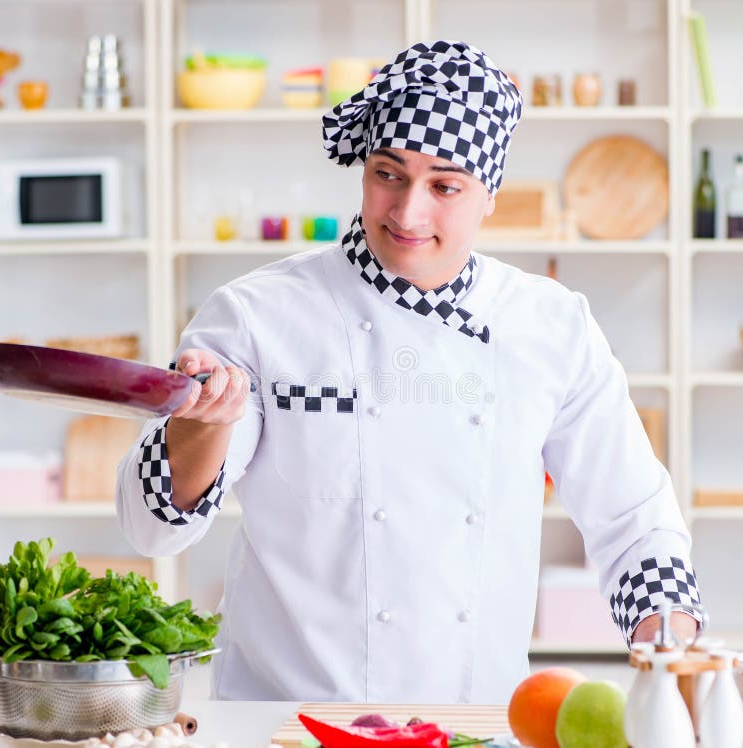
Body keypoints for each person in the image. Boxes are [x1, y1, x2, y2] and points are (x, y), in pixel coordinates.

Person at [117, 40, 702, 703]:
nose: (407, 212)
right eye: (387, 174)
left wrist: (669, 643)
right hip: (286, 723)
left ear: (490, 194)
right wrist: (201, 428)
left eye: (445, 186)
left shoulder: (551, 326)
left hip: (474, 724)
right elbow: (152, 530)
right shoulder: (259, 315)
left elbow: (632, 517)